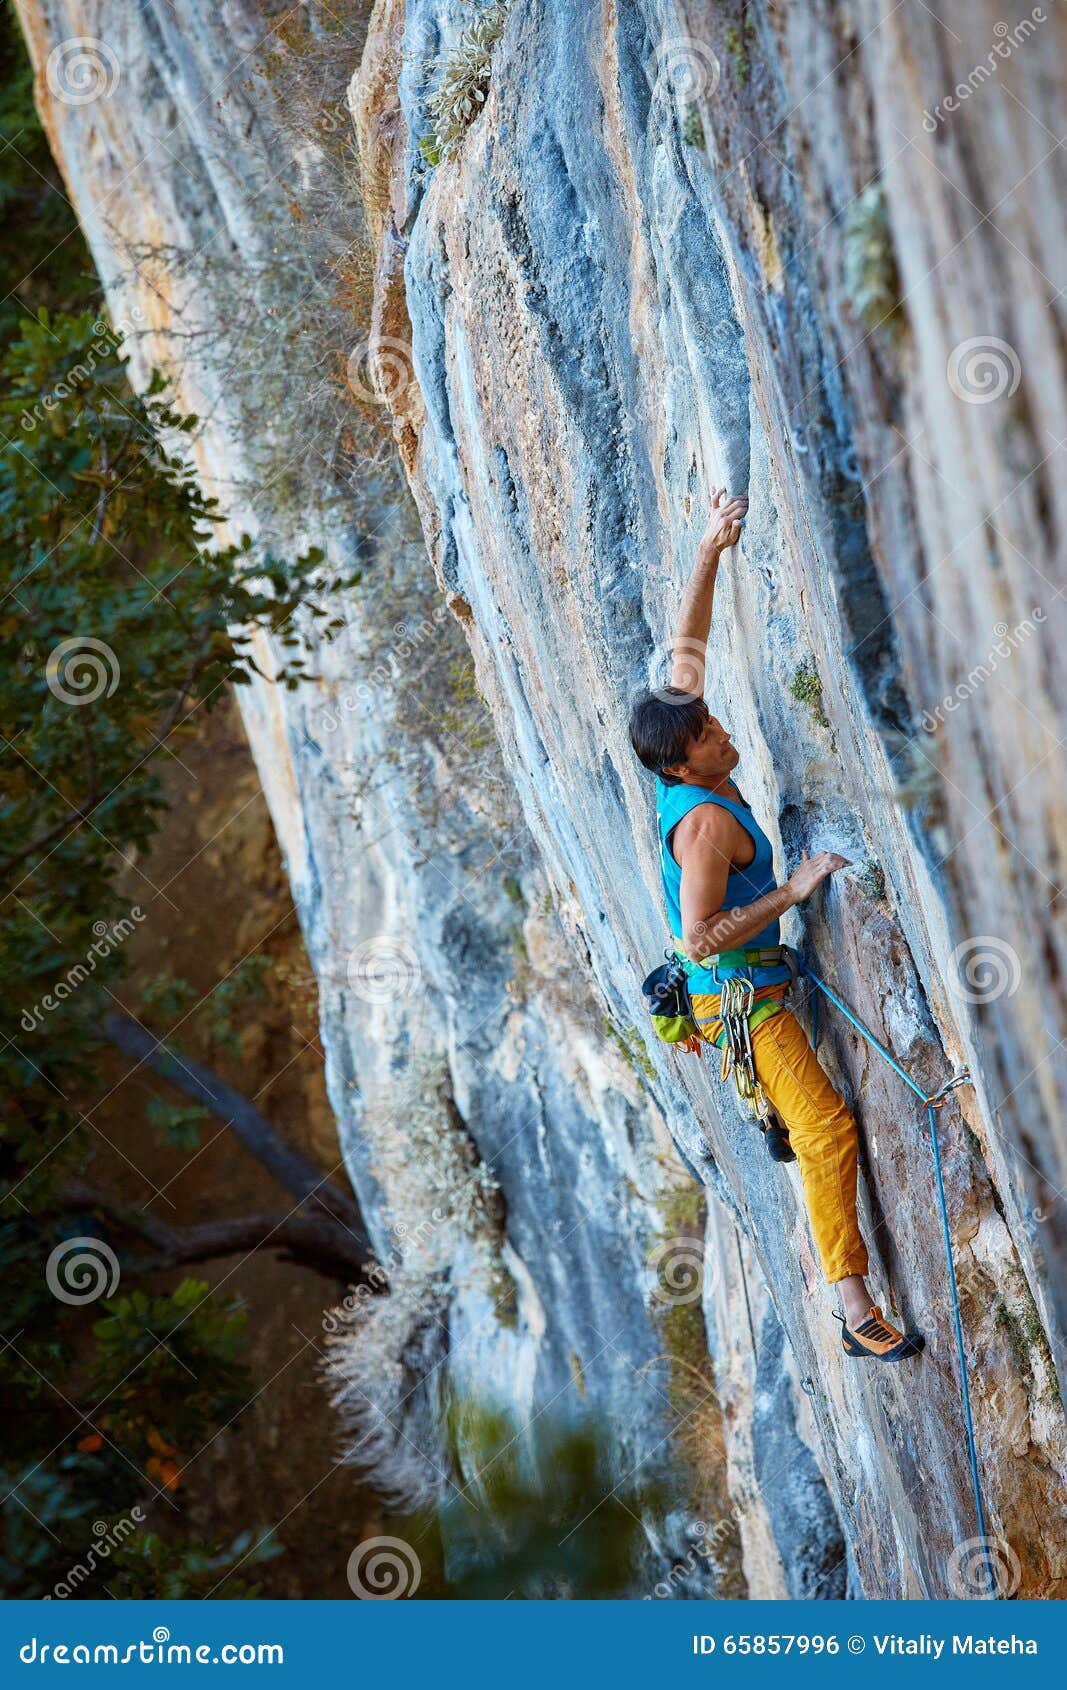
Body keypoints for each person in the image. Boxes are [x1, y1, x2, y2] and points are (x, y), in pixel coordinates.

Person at [628, 488, 924, 1361]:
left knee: (806, 1121)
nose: (723, 734)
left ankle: (771, 1115)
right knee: (825, 1128)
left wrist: (709, 549)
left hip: (746, 986)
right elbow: (698, 938)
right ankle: (853, 1309)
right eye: (709, 738)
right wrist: (791, 892)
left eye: (714, 723)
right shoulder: (702, 825)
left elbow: (686, 646)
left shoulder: (678, 737)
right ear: (681, 764)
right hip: (739, 1002)